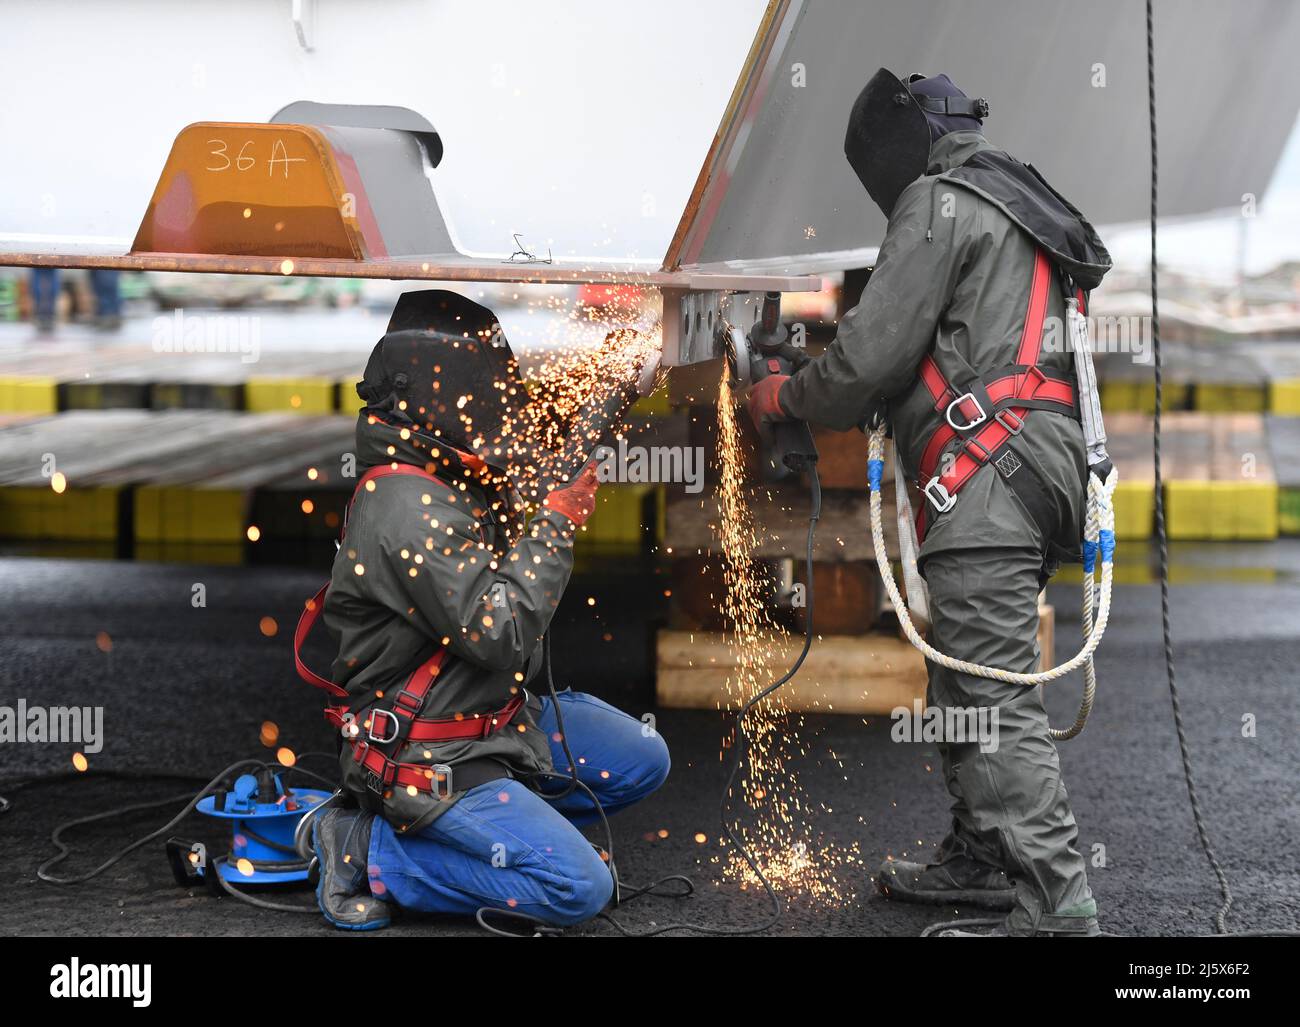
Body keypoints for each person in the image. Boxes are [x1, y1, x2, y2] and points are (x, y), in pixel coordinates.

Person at [748, 71, 1112, 936]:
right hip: (1042, 466)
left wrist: (784, 399)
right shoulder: (1018, 200)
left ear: (903, 147)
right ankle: (983, 856)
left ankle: (1058, 907)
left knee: (991, 695)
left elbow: (868, 359)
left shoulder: (937, 200)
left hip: (989, 475)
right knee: (962, 674)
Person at [304, 290, 669, 931]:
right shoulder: (406, 509)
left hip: (491, 719)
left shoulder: (444, 463)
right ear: (442, 389)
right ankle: (369, 848)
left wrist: (622, 374)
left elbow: (539, 462)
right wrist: (557, 524)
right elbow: (499, 635)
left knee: (641, 754)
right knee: (577, 889)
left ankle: (493, 837)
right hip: (428, 752)